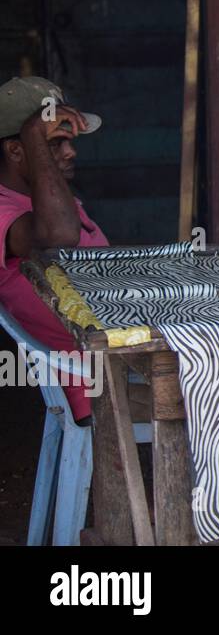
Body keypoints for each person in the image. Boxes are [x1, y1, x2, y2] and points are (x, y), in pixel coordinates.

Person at [0, 76, 108, 423]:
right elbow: (58, 236)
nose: (70, 151)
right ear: (17, 150)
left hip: (117, 358)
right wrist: (34, 132)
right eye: (56, 143)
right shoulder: (7, 212)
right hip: (97, 382)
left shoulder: (56, 203)